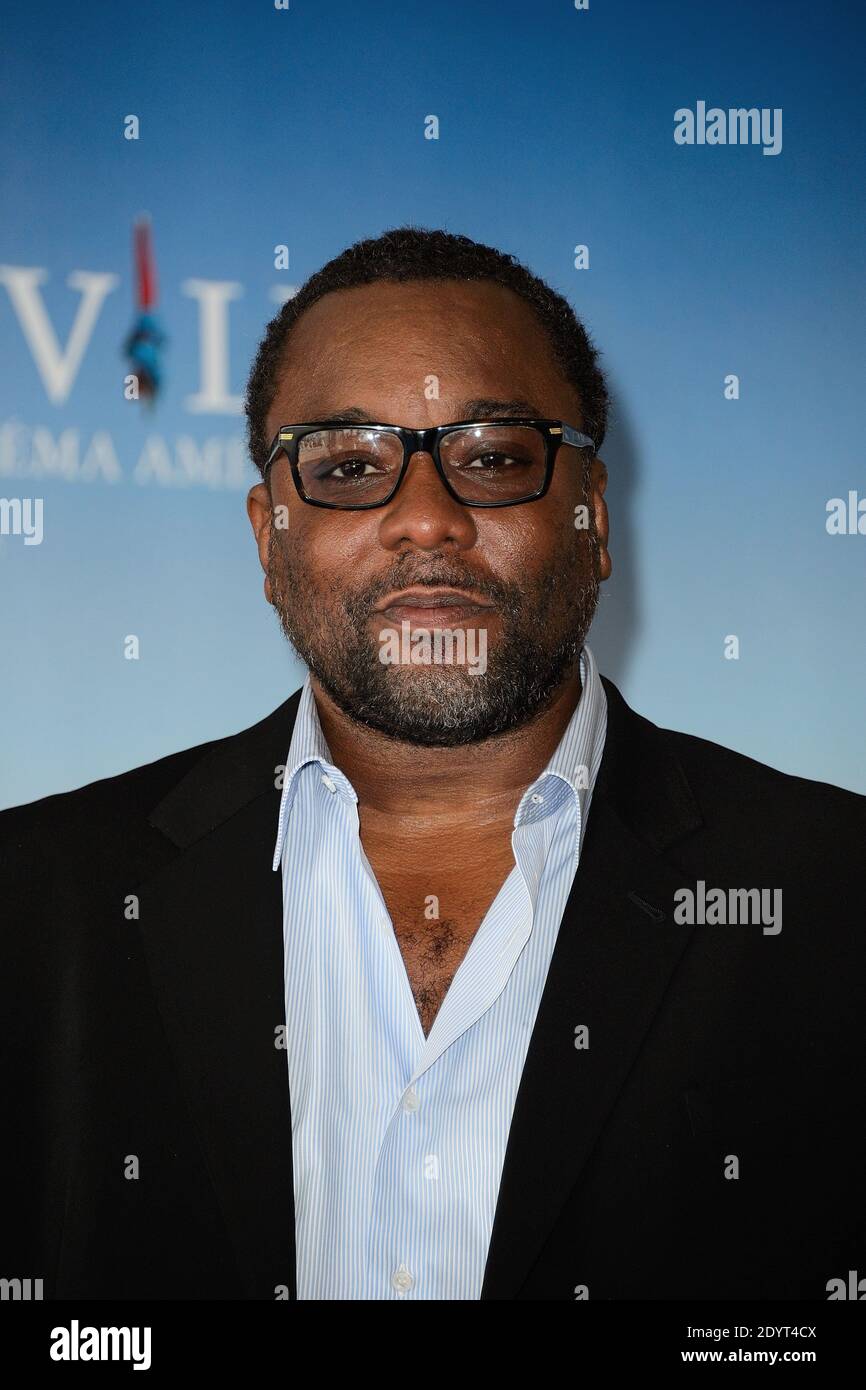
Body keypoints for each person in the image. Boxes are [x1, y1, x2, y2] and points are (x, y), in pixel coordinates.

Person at [2, 227, 864, 1301]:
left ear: (593, 516)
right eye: (348, 465)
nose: (423, 518)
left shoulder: (834, 892)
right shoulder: (38, 902)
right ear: (267, 539)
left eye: (493, 456)